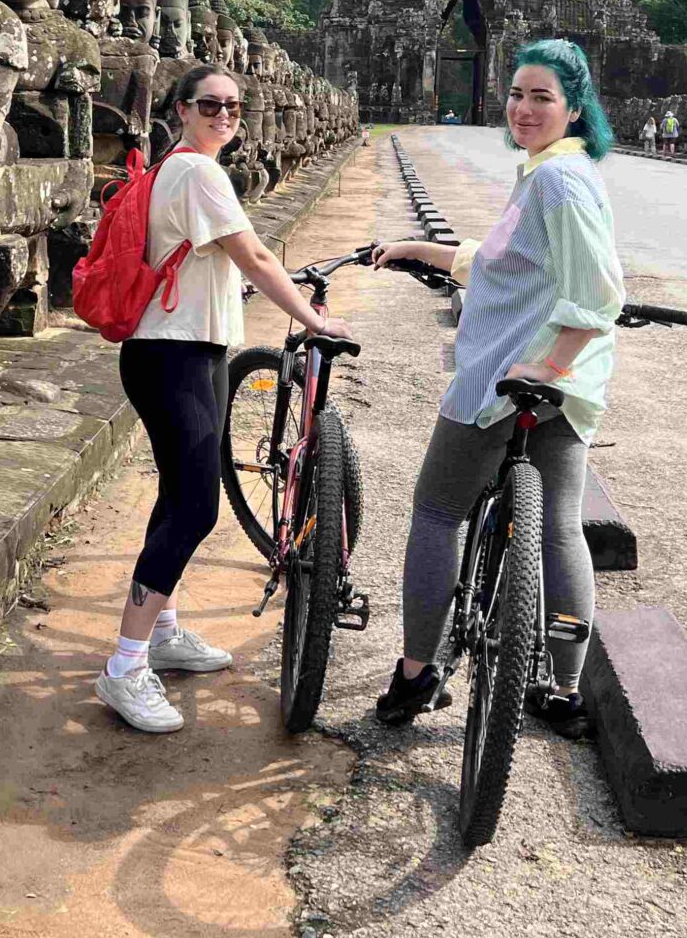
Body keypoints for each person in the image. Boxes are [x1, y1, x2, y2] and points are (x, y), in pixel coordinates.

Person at [369, 38, 625, 734]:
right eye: (516, 93)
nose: (524, 107)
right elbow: (512, 265)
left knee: (436, 512)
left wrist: (543, 365)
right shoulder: (553, 172)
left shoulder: (558, 181)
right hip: (561, 389)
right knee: (559, 527)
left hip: (512, 379)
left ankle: (417, 673)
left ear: (574, 108)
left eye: (542, 96)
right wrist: (421, 250)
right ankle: (564, 689)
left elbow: (598, 293)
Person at [97, 61, 356, 733]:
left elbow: (212, 261)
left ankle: (164, 630)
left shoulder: (175, 173)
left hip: (188, 350)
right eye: (209, 104)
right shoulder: (197, 172)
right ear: (180, 110)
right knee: (193, 509)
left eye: (234, 108)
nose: (224, 116)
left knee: (177, 494)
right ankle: (124, 667)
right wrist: (314, 320)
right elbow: (258, 258)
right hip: (172, 356)